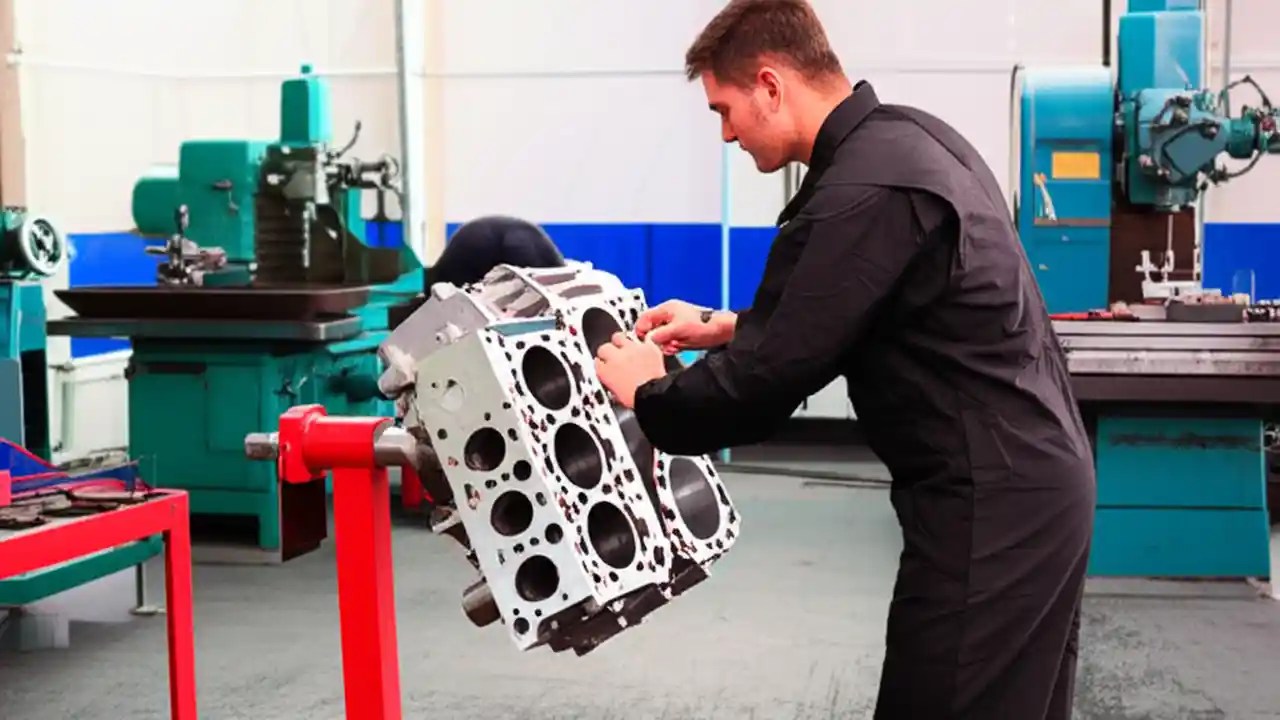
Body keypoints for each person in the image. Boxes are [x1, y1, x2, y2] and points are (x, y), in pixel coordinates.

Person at [592, 1, 1097, 718]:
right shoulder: (915, 140)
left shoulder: (855, 194)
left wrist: (648, 393)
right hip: (1038, 483)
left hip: (993, 504)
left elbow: (757, 393)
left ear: (771, 84)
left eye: (725, 110)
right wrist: (731, 326)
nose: (728, 133)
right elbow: (875, 305)